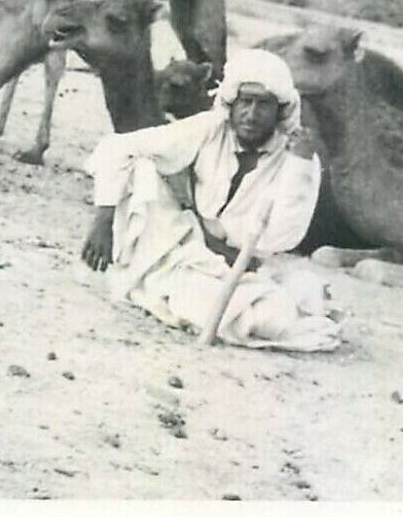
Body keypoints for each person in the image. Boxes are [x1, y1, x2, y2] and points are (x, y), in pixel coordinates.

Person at [80, 48, 340, 351]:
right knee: (141, 170)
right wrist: (104, 218)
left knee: (272, 318)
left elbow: (283, 237)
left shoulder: (297, 158)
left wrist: (298, 167)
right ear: (232, 103)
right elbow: (117, 147)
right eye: (246, 102)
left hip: (242, 269)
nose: (251, 115)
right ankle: (163, 285)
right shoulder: (211, 127)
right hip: (183, 245)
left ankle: (164, 290)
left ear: (280, 110)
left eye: (263, 105)